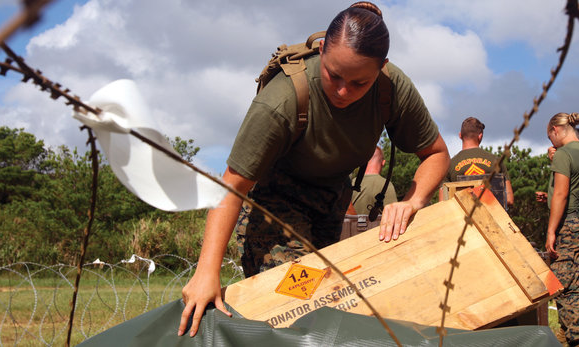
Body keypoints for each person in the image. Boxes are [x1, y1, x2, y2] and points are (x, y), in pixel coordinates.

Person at [178, 2, 449, 337]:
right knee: (296, 303)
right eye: (333, 75)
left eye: (359, 83)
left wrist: (413, 200)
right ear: (322, 51)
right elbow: (232, 186)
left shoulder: (392, 89)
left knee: (333, 305)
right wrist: (207, 271)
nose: (342, 91)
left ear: (382, 68)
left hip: (332, 201)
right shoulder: (284, 99)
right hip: (275, 202)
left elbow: (436, 153)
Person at [544, 113, 579, 347]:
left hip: (572, 226)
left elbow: (561, 193)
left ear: (557, 130)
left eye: (550, 136)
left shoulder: (564, 154)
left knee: (565, 287)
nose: (551, 143)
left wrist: (551, 231)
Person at [443, 117, 514, 206]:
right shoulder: (497, 161)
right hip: (494, 217)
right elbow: (509, 200)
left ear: (460, 135)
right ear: (480, 136)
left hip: (463, 218)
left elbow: (443, 203)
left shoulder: (449, 165)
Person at [348, 147, 398, 216]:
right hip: (376, 226)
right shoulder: (386, 185)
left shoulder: (350, 183)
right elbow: (393, 215)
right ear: (383, 163)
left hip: (348, 226)